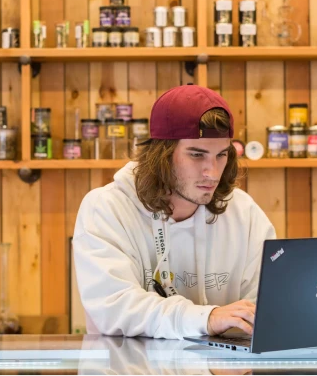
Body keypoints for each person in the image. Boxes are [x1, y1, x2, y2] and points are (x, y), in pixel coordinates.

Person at [72, 84, 277, 340]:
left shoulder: (244, 212)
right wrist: (207, 318)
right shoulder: (107, 208)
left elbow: (267, 308)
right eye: (196, 155)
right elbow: (114, 308)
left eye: (221, 155)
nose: (212, 172)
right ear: (162, 155)